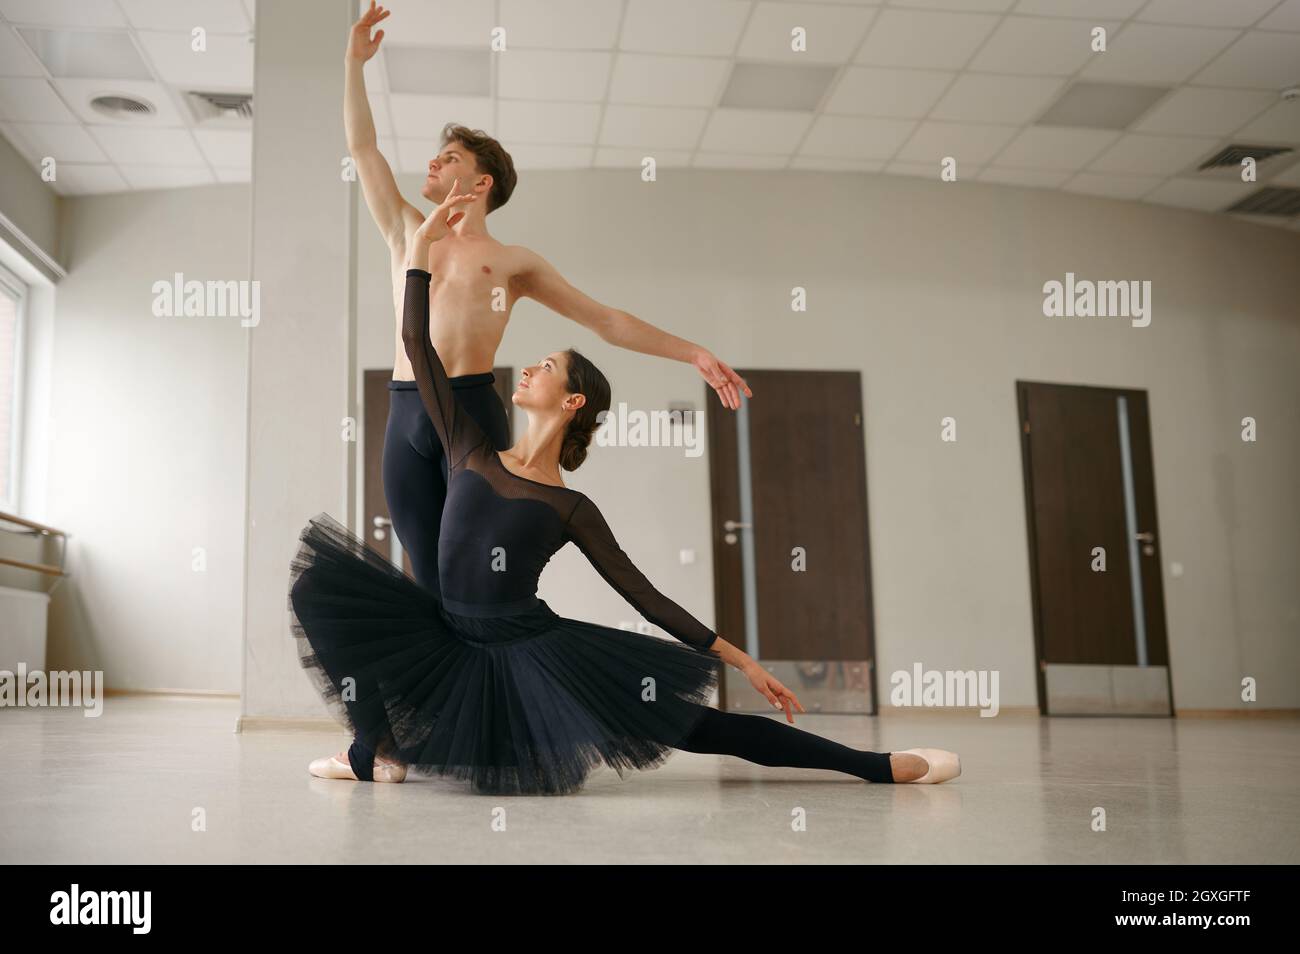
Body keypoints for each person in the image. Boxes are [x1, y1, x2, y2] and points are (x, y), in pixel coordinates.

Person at [287, 208, 961, 795]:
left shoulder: (571, 507)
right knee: (321, 589)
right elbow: (415, 343)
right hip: (447, 634)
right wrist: (417, 258)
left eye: (546, 367)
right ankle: (374, 751)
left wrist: (742, 659)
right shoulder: (469, 447)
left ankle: (879, 767)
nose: (528, 369)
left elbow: (647, 597)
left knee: (701, 728)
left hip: (531, 650)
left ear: (572, 400)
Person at [344, 0, 752, 593]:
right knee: (424, 576)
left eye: (450, 158)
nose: (433, 162)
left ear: (481, 184)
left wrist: (692, 353)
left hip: (472, 409)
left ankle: (490, 676)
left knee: (469, 574)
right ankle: (432, 689)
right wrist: (353, 64)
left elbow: (604, 320)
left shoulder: (514, 263)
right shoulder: (408, 230)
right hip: (406, 409)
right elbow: (362, 150)